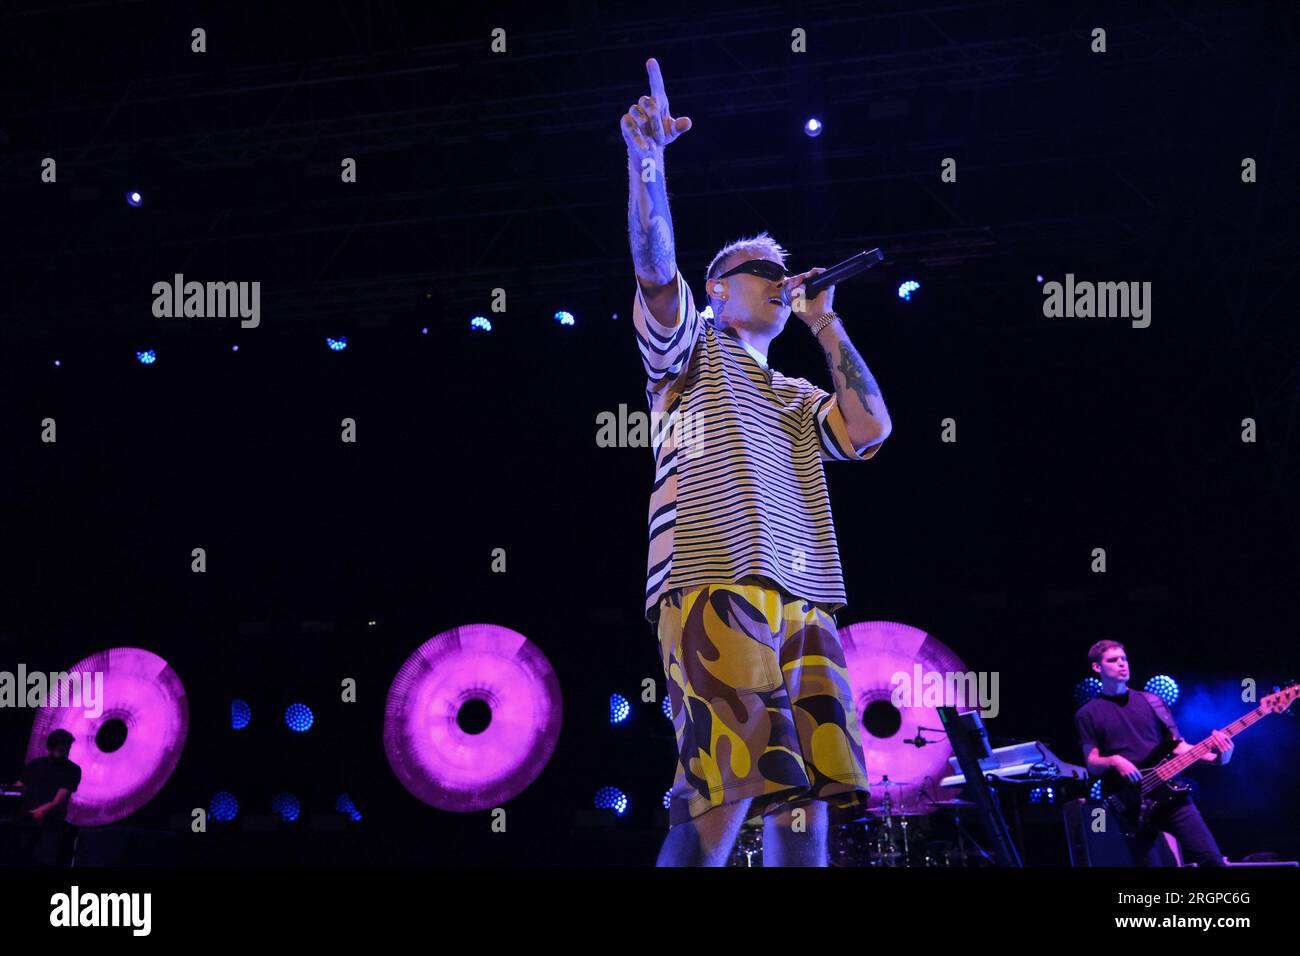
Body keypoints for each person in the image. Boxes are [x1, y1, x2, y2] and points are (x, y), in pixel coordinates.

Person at [621, 58, 893, 867]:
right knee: (727, 785)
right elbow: (653, 267)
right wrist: (647, 162)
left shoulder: (799, 392)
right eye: (763, 273)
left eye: (786, 274)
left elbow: (871, 429)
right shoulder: (689, 350)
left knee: (806, 793)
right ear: (719, 287)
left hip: (804, 595)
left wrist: (826, 324)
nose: (782, 282)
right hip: (712, 577)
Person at [1075, 640, 1231, 866]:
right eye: (1113, 660)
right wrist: (1115, 760)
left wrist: (1219, 755)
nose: (1122, 664)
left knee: (1212, 860)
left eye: (1124, 658)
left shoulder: (1152, 701)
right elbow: (1092, 762)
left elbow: (1178, 747)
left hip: (1171, 795)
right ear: (1097, 668)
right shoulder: (1087, 714)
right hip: (1131, 802)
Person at [5, 729, 82, 866]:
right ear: (50, 748)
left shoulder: (73, 770)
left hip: (50, 827)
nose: (65, 754)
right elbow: (18, 789)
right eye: (61, 750)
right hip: (25, 824)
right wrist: (7, 793)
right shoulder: (35, 764)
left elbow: (57, 802)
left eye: (67, 750)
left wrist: (32, 814)